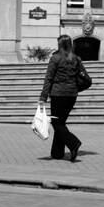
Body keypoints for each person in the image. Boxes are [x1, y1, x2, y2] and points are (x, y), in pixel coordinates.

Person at [39, 34, 88, 162]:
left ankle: (73, 143)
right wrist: (77, 89)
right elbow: (85, 78)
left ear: (59, 45)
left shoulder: (55, 58)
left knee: (57, 123)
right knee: (60, 123)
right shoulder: (76, 59)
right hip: (71, 96)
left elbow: (48, 78)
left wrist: (43, 97)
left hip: (58, 95)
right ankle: (57, 153)